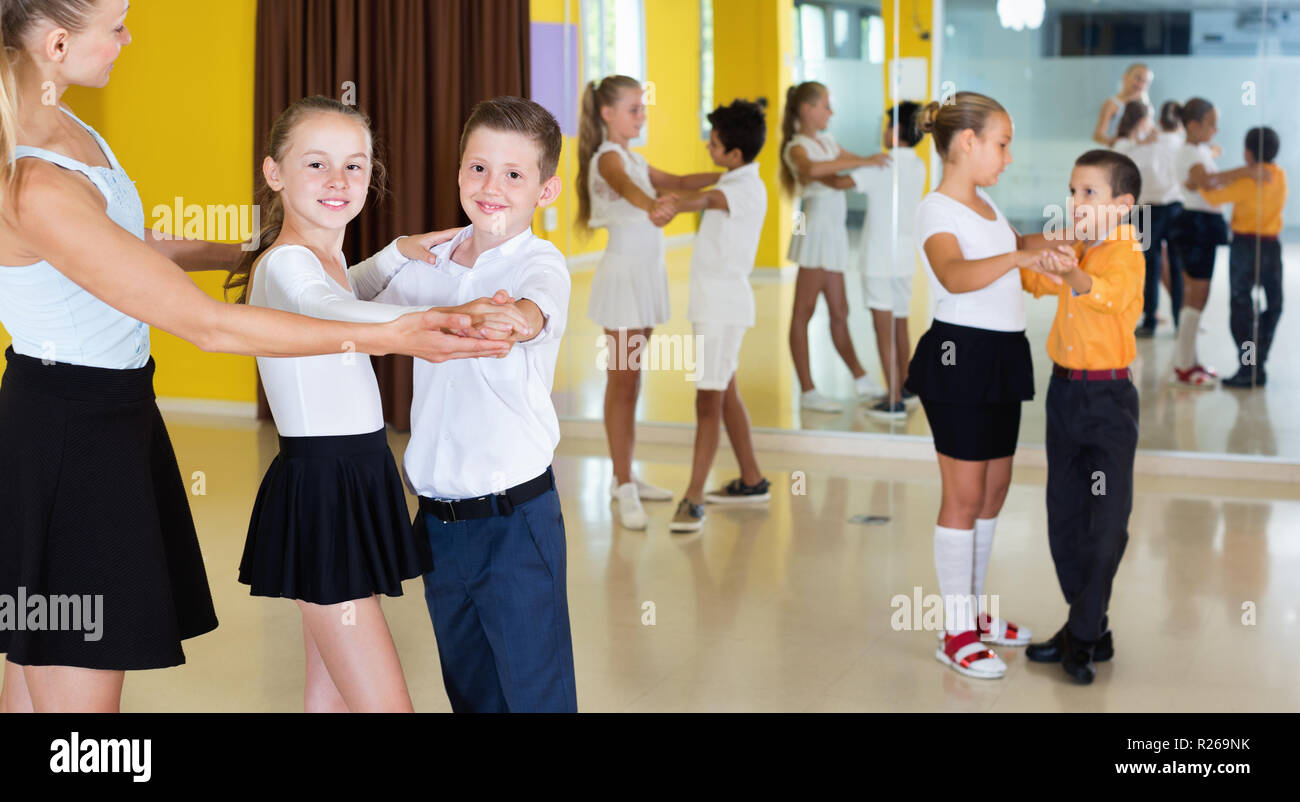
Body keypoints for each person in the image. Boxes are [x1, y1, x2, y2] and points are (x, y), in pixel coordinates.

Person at [0, 0, 503, 714]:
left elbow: (122, 246)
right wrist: (401, 333)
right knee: (72, 695)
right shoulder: (36, 182)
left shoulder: (71, 130)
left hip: (109, 413)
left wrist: (247, 252)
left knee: (37, 659)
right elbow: (209, 327)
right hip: (69, 434)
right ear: (56, 44)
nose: (127, 38)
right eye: (116, 25)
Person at [228, 96, 532, 712]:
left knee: (330, 692)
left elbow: (345, 288)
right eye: (316, 164)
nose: (338, 181)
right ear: (274, 173)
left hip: (352, 475)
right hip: (326, 485)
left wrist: (395, 254)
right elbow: (327, 307)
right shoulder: (286, 264)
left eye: (355, 166)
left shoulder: (325, 257)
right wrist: (437, 317)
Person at [364, 96, 577, 712]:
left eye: (514, 174)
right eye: (478, 168)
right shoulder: (425, 262)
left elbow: (537, 309)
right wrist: (394, 252)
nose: (492, 187)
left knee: (535, 697)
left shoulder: (540, 261)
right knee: (471, 694)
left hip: (515, 523)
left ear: (545, 190)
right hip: (438, 525)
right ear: (459, 171)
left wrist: (516, 319)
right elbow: (338, 305)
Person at [904, 92, 1052, 679]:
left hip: (1002, 356)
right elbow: (954, 275)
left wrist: (1066, 243)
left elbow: (1017, 248)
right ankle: (955, 632)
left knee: (993, 490)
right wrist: (1019, 262)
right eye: (1002, 144)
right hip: (958, 358)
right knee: (964, 497)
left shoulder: (986, 203)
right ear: (968, 142)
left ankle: (974, 613)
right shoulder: (935, 209)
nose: (1008, 157)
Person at [1021, 150, 1145, 684]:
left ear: (1123, 204)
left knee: (1106, 523)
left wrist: (1070, 270)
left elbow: (1110, 297)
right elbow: (1035, 280)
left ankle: (1083, 633)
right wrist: (1035, 256)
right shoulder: (1077, 247)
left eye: (1089, 193)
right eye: (1072, 192)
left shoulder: (1126, 251)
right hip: (1064, 395)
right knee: (1064, 518)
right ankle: (1089, 626)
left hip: (1108, 402)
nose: (1075, 202)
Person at [576, 74, 722, 530]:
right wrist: (652, 206)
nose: (642, 115)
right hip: (623, 282)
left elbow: (676, 180)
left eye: (643, 107)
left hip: (646, 278)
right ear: (608, 114)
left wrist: (732, 177)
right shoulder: (608, 158)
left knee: (633, 380)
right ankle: (621, 483)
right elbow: (627, 188)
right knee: (621, 382)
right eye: (634, 109)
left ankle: (627, 475)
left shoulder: (634, 157)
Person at [654, 99, 771, 533]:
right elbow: (695, 186)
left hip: (722, 309)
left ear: (735, 154)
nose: (708, 146)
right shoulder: (736, 176)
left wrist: (669, 205)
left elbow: (705, 198)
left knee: (708, 400)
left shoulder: (742, 188)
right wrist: (659, 187)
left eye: (715, 143)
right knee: (725, 392)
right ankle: (752, 480)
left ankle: (693, 498)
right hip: (715, 306)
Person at [780, 80, 891, 414]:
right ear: (807, 110)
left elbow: (846, 160)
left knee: (840, 312)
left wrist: (872, 161)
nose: (831, 111)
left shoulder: (827, 141)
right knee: (804, 312)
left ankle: (861, 379)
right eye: (826, 105)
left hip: (834, 235)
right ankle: (808, 390)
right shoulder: (795, 147)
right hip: (814, 232)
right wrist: (867, 163)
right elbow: (813, 170)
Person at [1168, 98, 1261, 387]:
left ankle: (1187, 362)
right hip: (1197, 228)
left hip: (1201, 226)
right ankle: (1184, 366)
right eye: (1211, 124)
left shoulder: (1197, 150)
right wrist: (1244, 172)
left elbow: (1204, 179)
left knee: (1194, 297)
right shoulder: (1190, 152)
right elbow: (1206, 181)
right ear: (1192, 125)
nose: (1215, 130)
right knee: (1197, 296)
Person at [851, 101, 928, 419]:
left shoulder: (878, 165)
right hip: (903, 257)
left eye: (886, 126)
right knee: (900, 323)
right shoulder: (919, 166)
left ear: (895, 130)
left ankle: (893, 399)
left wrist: (818, 169)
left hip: (878, 259)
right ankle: (906, 386)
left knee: (883, 330)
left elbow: (839, 183)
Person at [1198, 126, 1287, 388]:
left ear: (1247, 153)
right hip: (1272, 246)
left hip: (1245, 247)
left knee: (1241, 307)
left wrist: (1202, 180)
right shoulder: (1279, 175)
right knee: (1274, 303)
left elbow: (1211, 195)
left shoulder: (1249, 182)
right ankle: (1259, 359)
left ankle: (1248, 366)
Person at [1114, 100, 1184, 337]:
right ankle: (1180, 321)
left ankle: (1149, 321)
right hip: (1174, 208)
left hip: (1144, 211)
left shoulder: (1136, 146)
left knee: (1148, 268)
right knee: (1176, 266)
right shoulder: (1180, 145)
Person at [1092, 63, 1155, 148]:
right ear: (1125, 77)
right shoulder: (1112, 104)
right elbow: (1098, 136)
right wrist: (1119, 143)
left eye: (1146, 81)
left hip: (1141, 152)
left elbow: (1150, 132)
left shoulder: (1148, 106)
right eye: (1138, 78)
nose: (1141, 84)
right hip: (1120, 151)